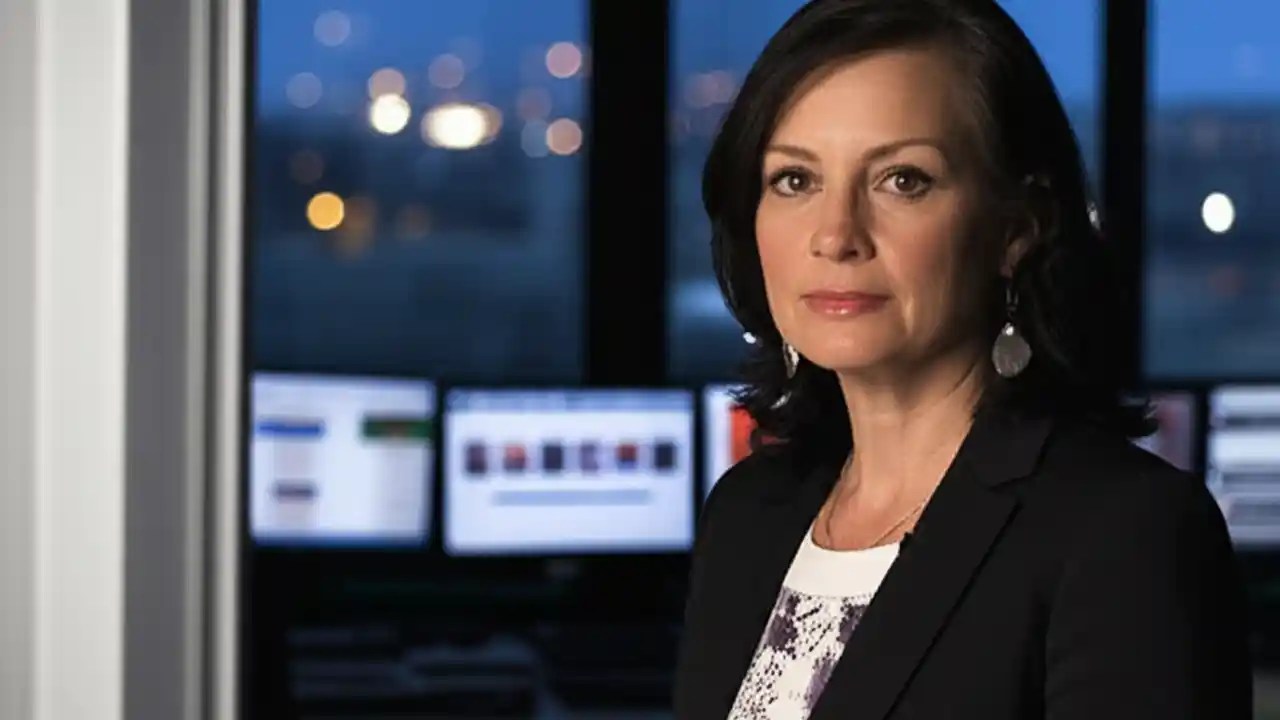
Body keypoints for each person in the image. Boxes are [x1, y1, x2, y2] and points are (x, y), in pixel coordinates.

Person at [671, 0, 1254, 718]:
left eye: (903, 180)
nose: (836, 235)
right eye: (795, 179)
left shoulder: (1129, 534)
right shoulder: (745, 515)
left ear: (1015, 229)